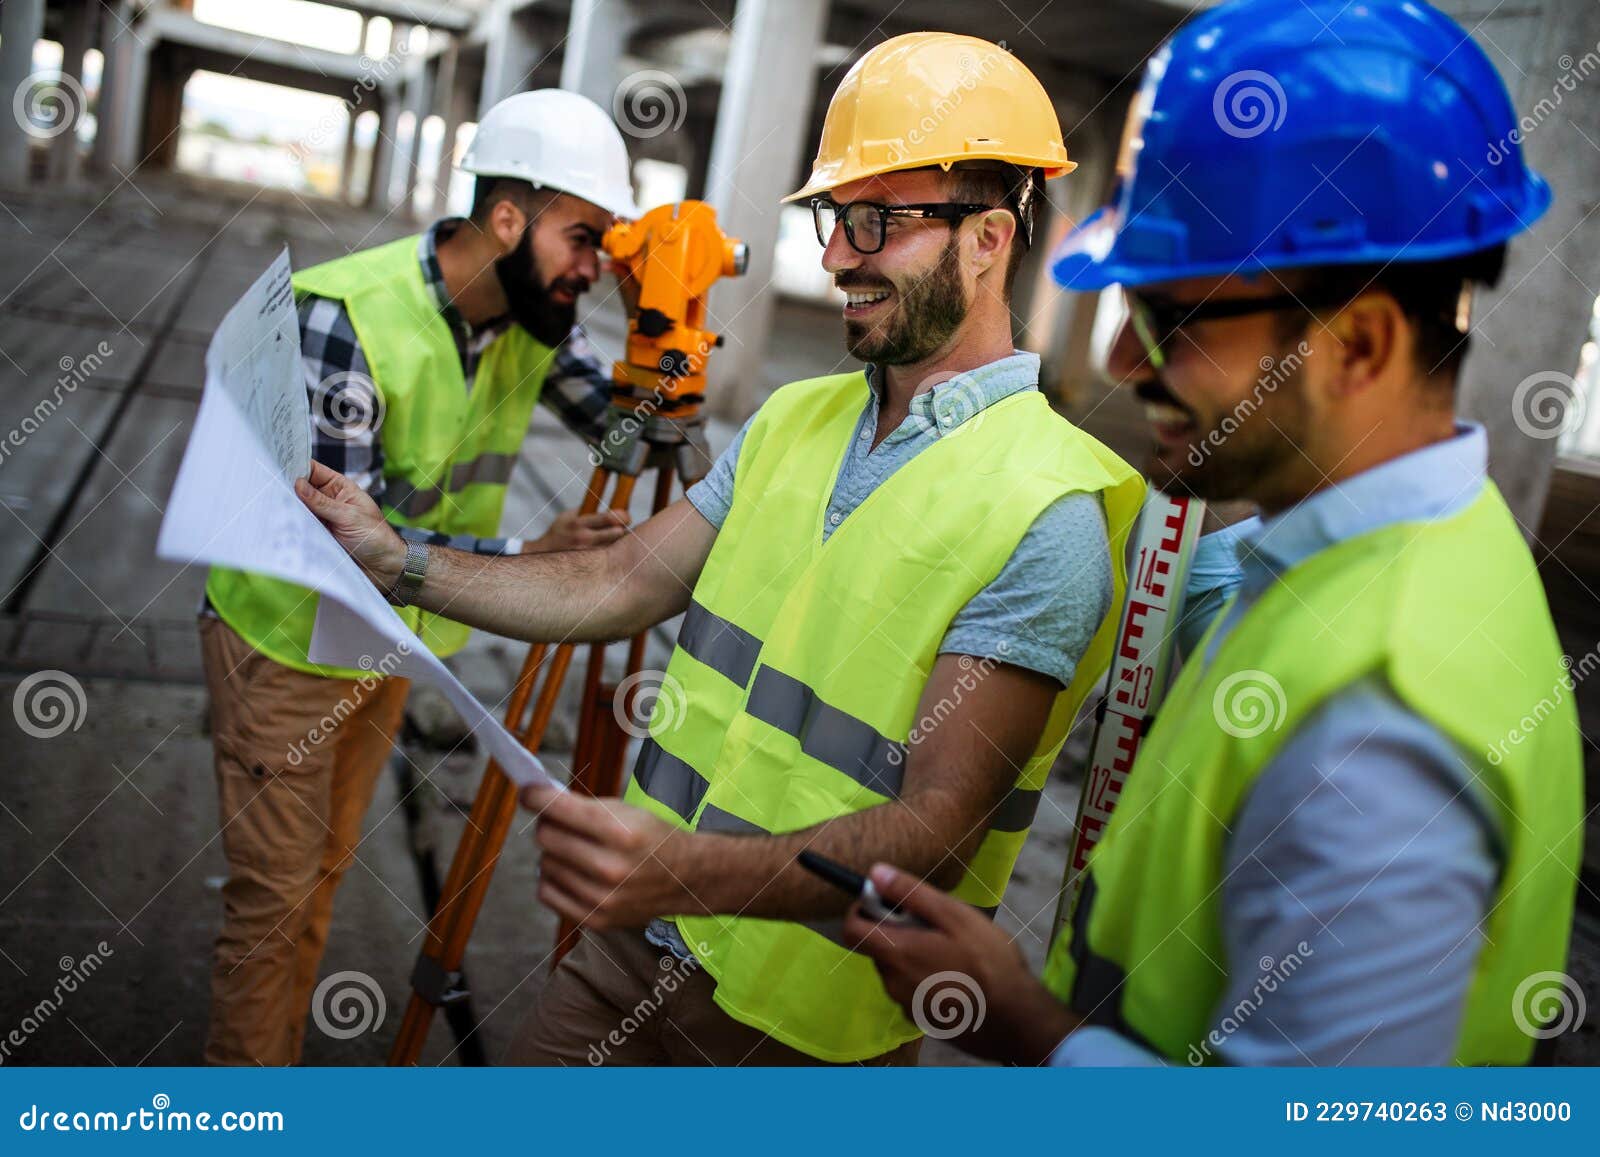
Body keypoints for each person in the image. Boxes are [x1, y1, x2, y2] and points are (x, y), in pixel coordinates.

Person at [297, 32, 1146, 1065]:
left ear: (987, 237)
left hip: (792, 1027)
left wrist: (681, 868)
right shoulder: (793, 418)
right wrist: (399, 564)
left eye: (875, 222)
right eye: (837, 220)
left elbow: (936, 825)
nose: (834, 257)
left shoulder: (1044, 507)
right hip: (629, 950)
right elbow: (623, 576)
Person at [846, 0, 1583, 1067]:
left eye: (1171, 320)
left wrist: (1028, 1026)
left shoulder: (1373, 735)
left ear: (1360, 344)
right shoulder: (1432, 546)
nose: (1119, 363)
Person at [200, 90, 640, 1066]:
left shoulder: (532, 317)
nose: (592, 267)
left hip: (384, 641)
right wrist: (530, 562)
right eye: (582, 237)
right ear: (508, 219)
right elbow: (338, 539)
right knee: (272, 908)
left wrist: (667, 322)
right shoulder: (348, 313)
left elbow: (627, 428)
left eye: (605, 244)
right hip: (285, 639)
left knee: (318, 880)